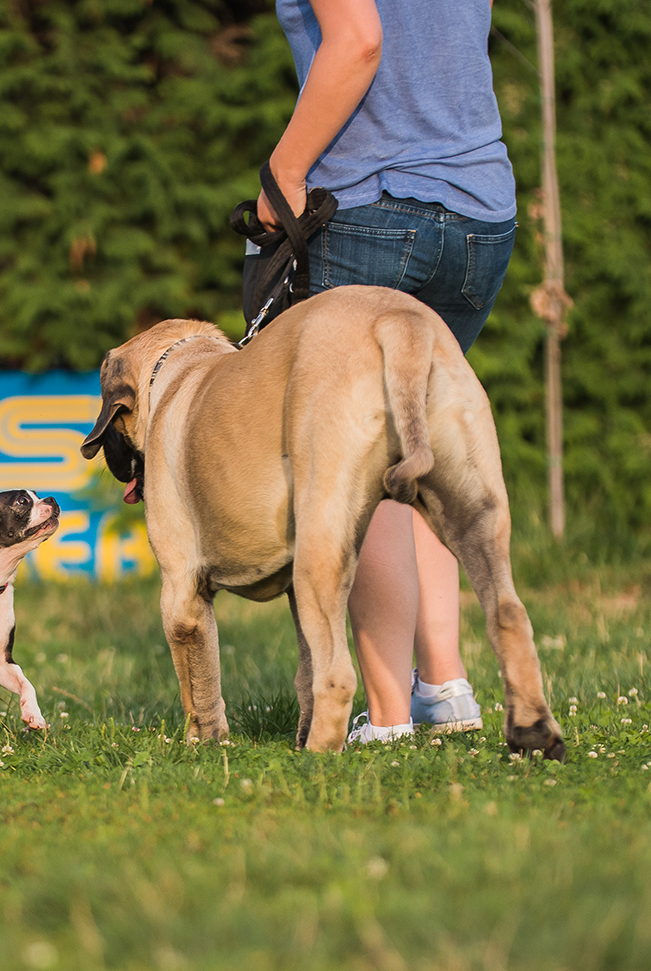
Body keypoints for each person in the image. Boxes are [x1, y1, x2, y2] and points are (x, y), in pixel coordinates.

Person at [257, 0, 516, 744]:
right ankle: (445, 686)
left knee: (360, 458)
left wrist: (285, 170)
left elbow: (360, 41)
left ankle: (390, 717)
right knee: (419, 436)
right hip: (481, 214)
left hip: (373, 207)